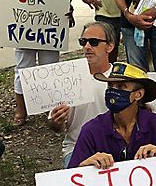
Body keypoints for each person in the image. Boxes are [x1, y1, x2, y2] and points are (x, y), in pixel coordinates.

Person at [68, 62, 156, 168]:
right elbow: (69, 177)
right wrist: (85, 165)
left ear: (138, 94)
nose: (113, 91)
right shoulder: (92, 130)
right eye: (110, 86)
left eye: (121, 86)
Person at [9, 0, 63, 125]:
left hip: (49, 26)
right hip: (22, 25)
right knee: (23, 68)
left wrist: (67, 10)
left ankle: (52, 110)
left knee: (50, 67)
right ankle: (21, 110)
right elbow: (6, 0)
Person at [47, 21, 113, 167]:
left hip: (115, 147)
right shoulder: (66, 78)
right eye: (83, 42)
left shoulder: (121, 77)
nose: (87, 47)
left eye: (94, 42)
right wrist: (56, 121)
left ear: (110, 46)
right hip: (77, 148)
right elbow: (55, 127)